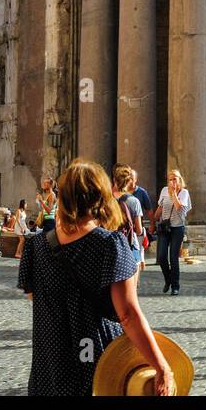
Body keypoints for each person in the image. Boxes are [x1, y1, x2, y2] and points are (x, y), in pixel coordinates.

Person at [20, 160, 174, 394]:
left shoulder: (36, 245)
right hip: (95, 357)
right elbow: (128, 315)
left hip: (49, 363)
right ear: (100, 197)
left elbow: (35, 294)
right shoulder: (110, 245)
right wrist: (161, 365)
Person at [154, 169, 191, 296]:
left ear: (180, 179)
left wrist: (174, 193)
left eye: (174, 178)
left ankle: (175, 286)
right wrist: (154, 221)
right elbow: (160, 206)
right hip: (165, 227)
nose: (172, 181)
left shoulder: (184, 193)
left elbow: (181, 210)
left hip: (177, 228)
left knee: (173, 258)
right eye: (170, 179)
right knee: (161, 257)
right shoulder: (164, 190)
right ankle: (168, 279)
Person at [112, 164, 145, 281]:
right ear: (129, 182)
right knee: (132, 290)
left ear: (114, 180)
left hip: (111, 247)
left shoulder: (106, 200)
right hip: (130, 246)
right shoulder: (134, 201)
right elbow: (139, 230)